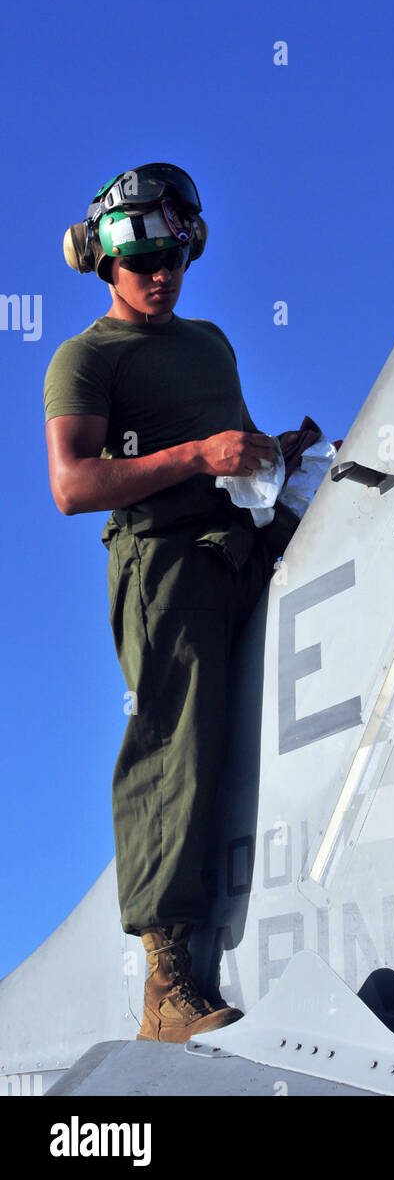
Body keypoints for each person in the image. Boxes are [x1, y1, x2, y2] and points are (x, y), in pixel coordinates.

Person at [44, 164, 321, 1042]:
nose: (159, 273)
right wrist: (200, 456)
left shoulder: (208, 341)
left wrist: (272, 450)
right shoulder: (84, 359)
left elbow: (225, 454)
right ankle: (167, 986)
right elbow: (73, 484)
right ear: (105, 264)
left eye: (172, 253)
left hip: (244, 538)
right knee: (176, 743)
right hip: (162, 562)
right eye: (141, 260)